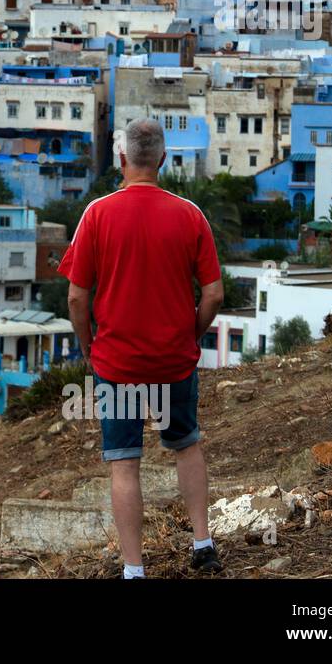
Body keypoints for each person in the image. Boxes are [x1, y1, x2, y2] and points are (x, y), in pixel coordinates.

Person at [58, 117, 225, 578]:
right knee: (187, 446)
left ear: (122, 159)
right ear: (164, 160)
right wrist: (190, 335)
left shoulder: (96, 214)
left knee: (124, 464)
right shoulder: (190, 215)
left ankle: (135, 569)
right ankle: (203, 544)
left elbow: (76, 296)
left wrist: (89, 347)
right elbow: (213, 293)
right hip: (174, 360)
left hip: (119, 363)